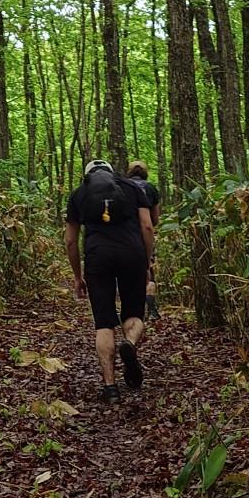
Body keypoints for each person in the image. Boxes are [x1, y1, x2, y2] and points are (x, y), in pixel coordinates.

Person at [64, 159, 154, 401]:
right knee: (133, 313)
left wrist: (77, 276)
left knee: (104, 321)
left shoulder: (78, 194)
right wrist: (147, 262)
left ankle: (110, 387)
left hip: (98, 259)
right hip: (132, 255)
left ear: (88, 175)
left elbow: (70, 240)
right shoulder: (133, 188)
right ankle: (130, 343)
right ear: (112, 174)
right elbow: (147, 226)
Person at [126, 162, 162, 321]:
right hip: (144, 236)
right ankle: (152, 310)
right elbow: (155, 219)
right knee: (149, 271)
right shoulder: (151, 188)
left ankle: (132, 311)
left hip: (126, 237)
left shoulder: (122, 187)